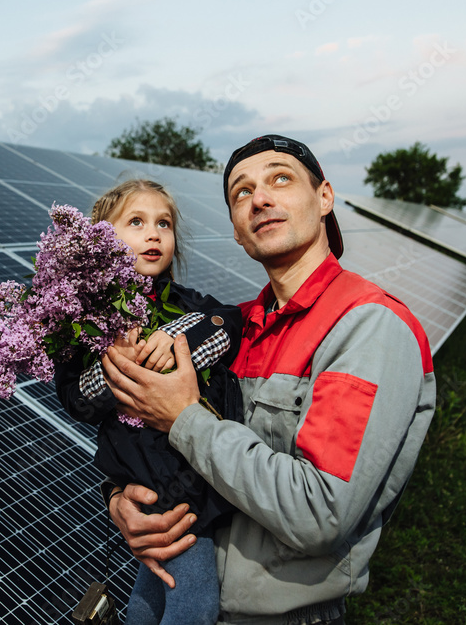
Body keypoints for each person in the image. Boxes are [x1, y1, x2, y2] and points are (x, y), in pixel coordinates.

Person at [100, 136, 437, 624]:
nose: (259, 198)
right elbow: (139, 429)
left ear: (324, 198)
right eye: (241, 192)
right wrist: (119, 501)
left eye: (281, 178)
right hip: (190, 593)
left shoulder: (368, 326)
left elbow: (321, 512)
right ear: (237, 231)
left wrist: (185, 418)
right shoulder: (225, 328)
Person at [55, 178, 243, 625]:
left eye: (164, 223)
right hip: (162, 496)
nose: (153, 233)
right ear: (100, 241)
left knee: (152, 598)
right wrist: (111, 367)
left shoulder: (187, 306)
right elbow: (75, 401)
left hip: (189, 481)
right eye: (135, 222)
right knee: (193, 604)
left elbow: (228, 323)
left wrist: (176, 336)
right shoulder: (83, 324)